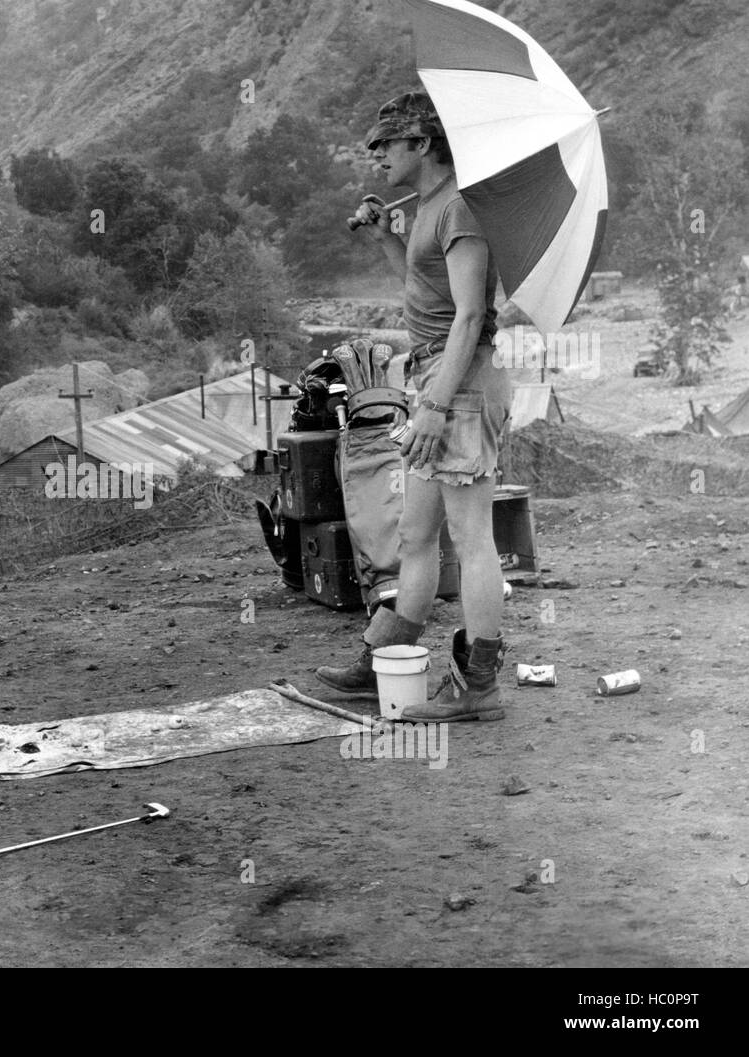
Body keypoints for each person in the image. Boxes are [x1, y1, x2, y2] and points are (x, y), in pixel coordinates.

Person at [314, 92, 512, 722]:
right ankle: (384, 661)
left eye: (385, 145)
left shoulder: (459, 208)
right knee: (415, 533)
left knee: (473, 537)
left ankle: (480, 686)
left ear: (422, 145)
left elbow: (473, 315)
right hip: (436, 374)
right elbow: (427, 292)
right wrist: (383, 240)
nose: (375, 156)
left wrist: (433, 404)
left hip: (462, 382)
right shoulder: (428, 207)